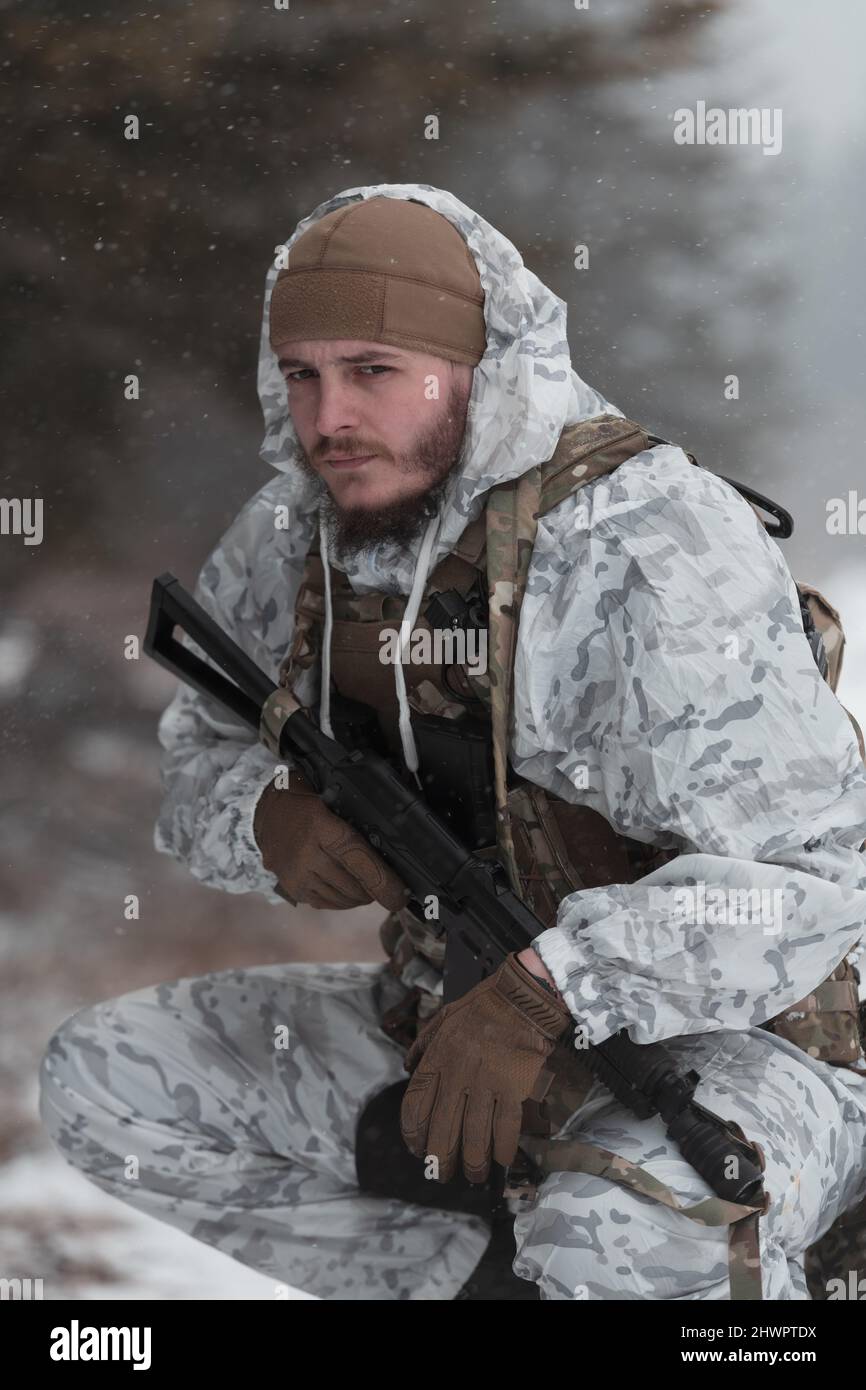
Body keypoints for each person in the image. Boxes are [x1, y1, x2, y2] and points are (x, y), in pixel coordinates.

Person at [39, 184, 866, 1301]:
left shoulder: (644, 544)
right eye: (301, 373)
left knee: (628, 1233)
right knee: (113, 1080)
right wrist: (260, 817)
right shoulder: (296, 536)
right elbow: (201, 741)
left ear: (476, 368)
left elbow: (809, 875)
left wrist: (554, 988)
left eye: (373, 370)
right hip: (447, 1025)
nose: (329, 415)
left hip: (732, 1047)